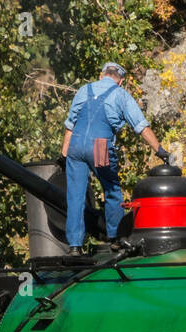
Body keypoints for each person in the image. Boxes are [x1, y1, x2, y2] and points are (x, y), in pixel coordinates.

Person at [62, 61, 167, 250]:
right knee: (111, 190)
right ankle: (116, 238)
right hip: (99, 146)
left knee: (75, 197)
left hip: (75, 147)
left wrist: (64, 154)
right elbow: (141, 127)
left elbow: (70, 125)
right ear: (120, 81)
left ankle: (75, 246)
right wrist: (160, 150)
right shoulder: (121, 95)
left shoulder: (83, 90)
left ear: (101, 75)